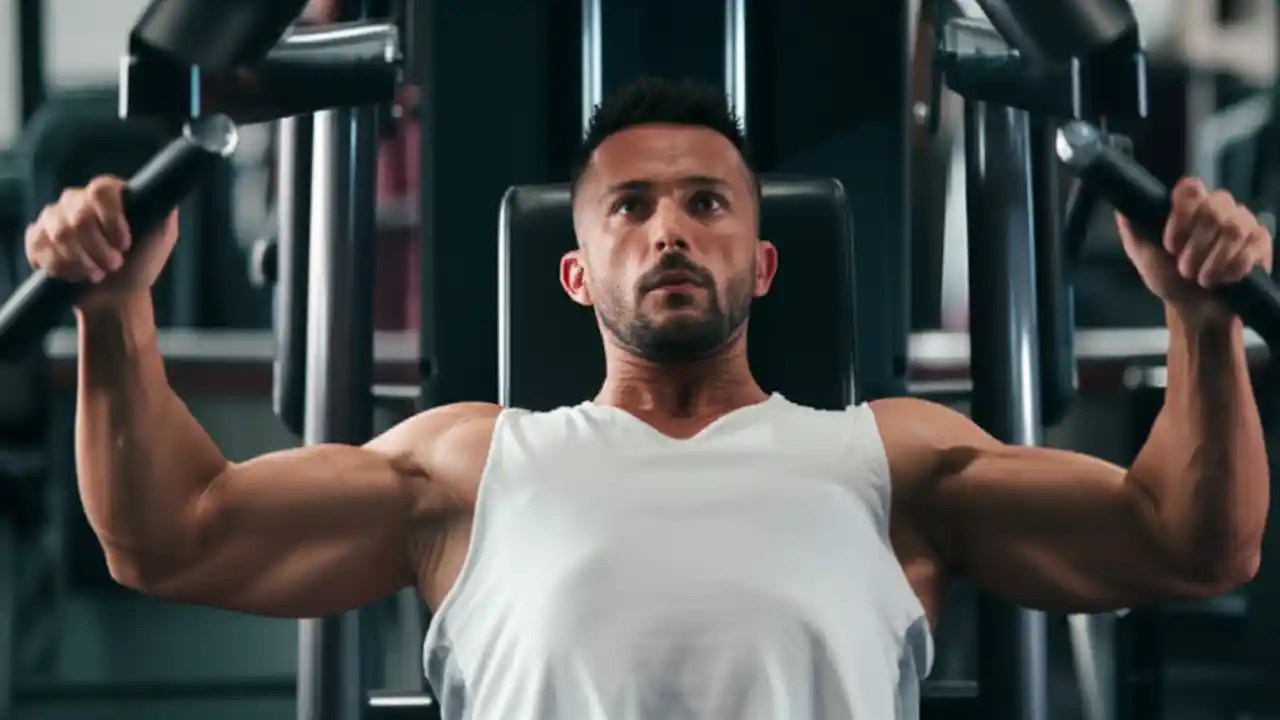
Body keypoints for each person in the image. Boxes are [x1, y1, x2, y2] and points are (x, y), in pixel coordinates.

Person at [24, 77, 1271, 719]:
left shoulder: (892, 467)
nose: (668, 229)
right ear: (575, 273)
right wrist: (114, 311)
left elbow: (1190, 542)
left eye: (705, 203)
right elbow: (165, 534)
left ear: (759, 262)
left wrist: (1199, 320)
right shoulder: (466, 470)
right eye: (630, 208)